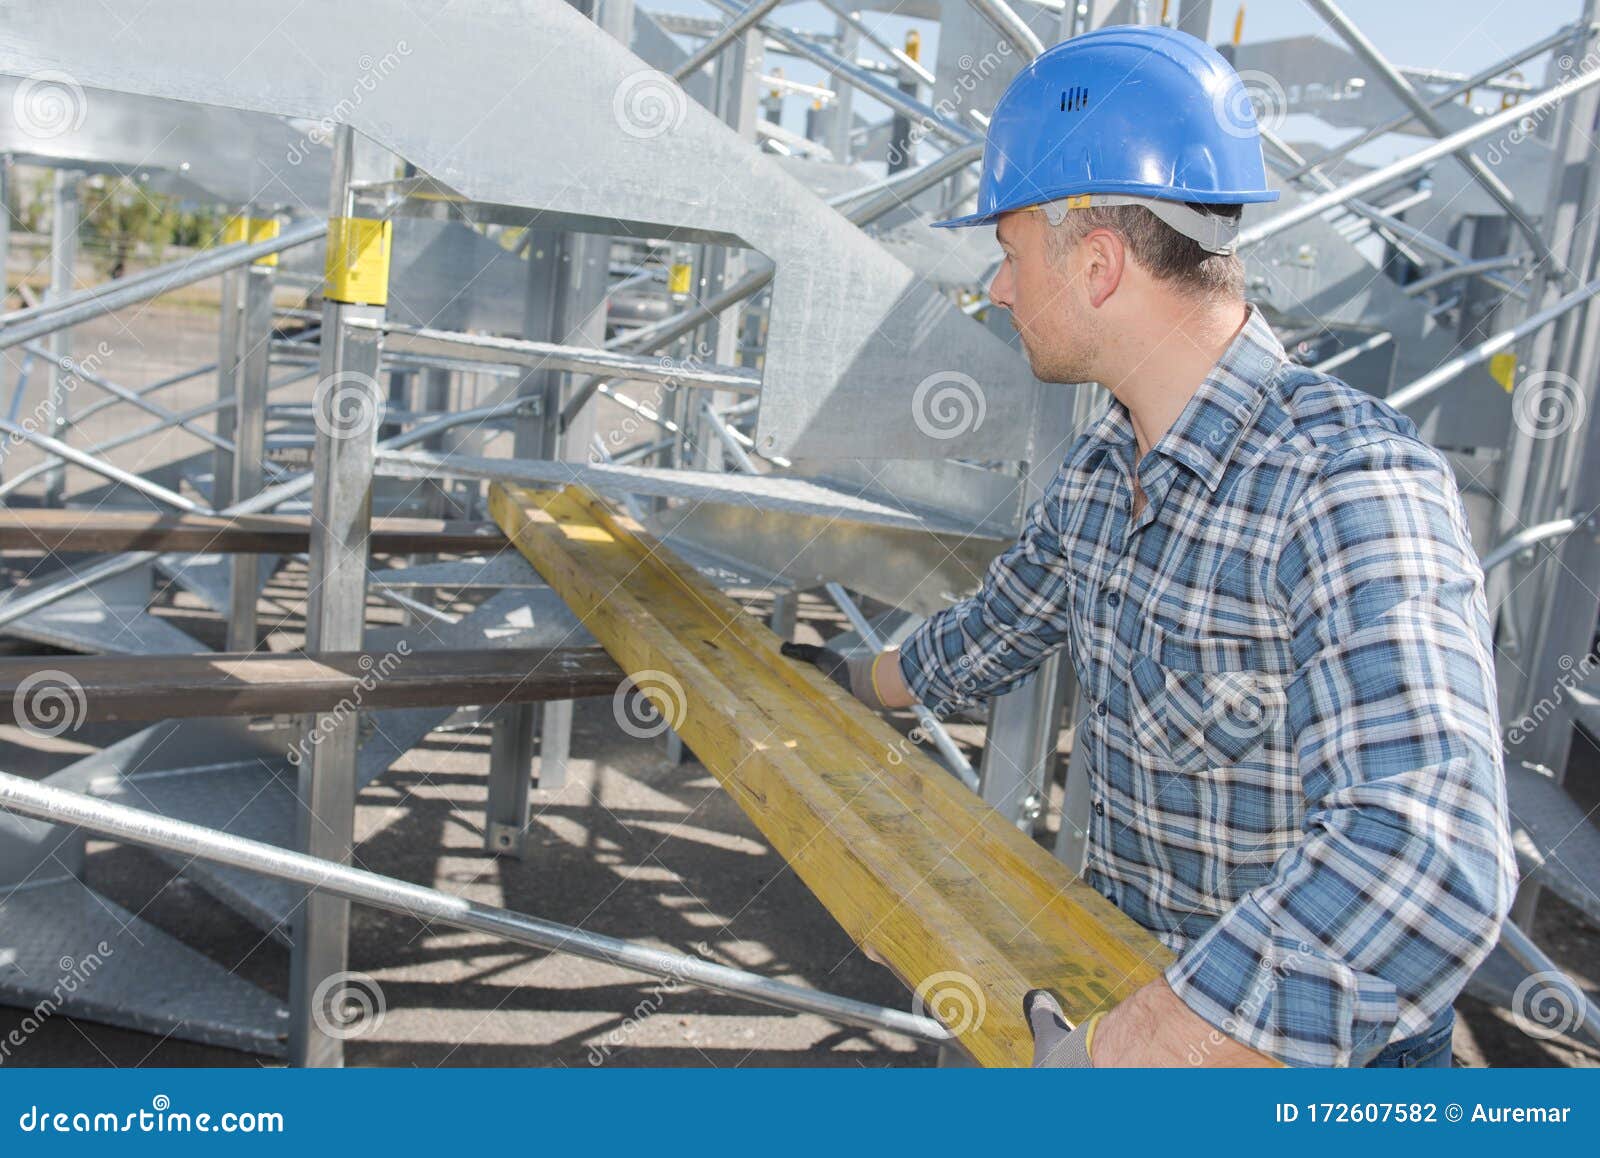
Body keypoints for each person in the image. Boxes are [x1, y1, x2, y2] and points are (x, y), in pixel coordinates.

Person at [783, 24, 1516, 1068]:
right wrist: (848, 679)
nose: (995, 290)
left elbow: (1425, 858)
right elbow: (992, 634)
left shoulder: (1344, 482)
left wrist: (1120, 1056)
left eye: (1006, 256)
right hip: (1143, 991)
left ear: (1094, 263)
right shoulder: (1097, 476)